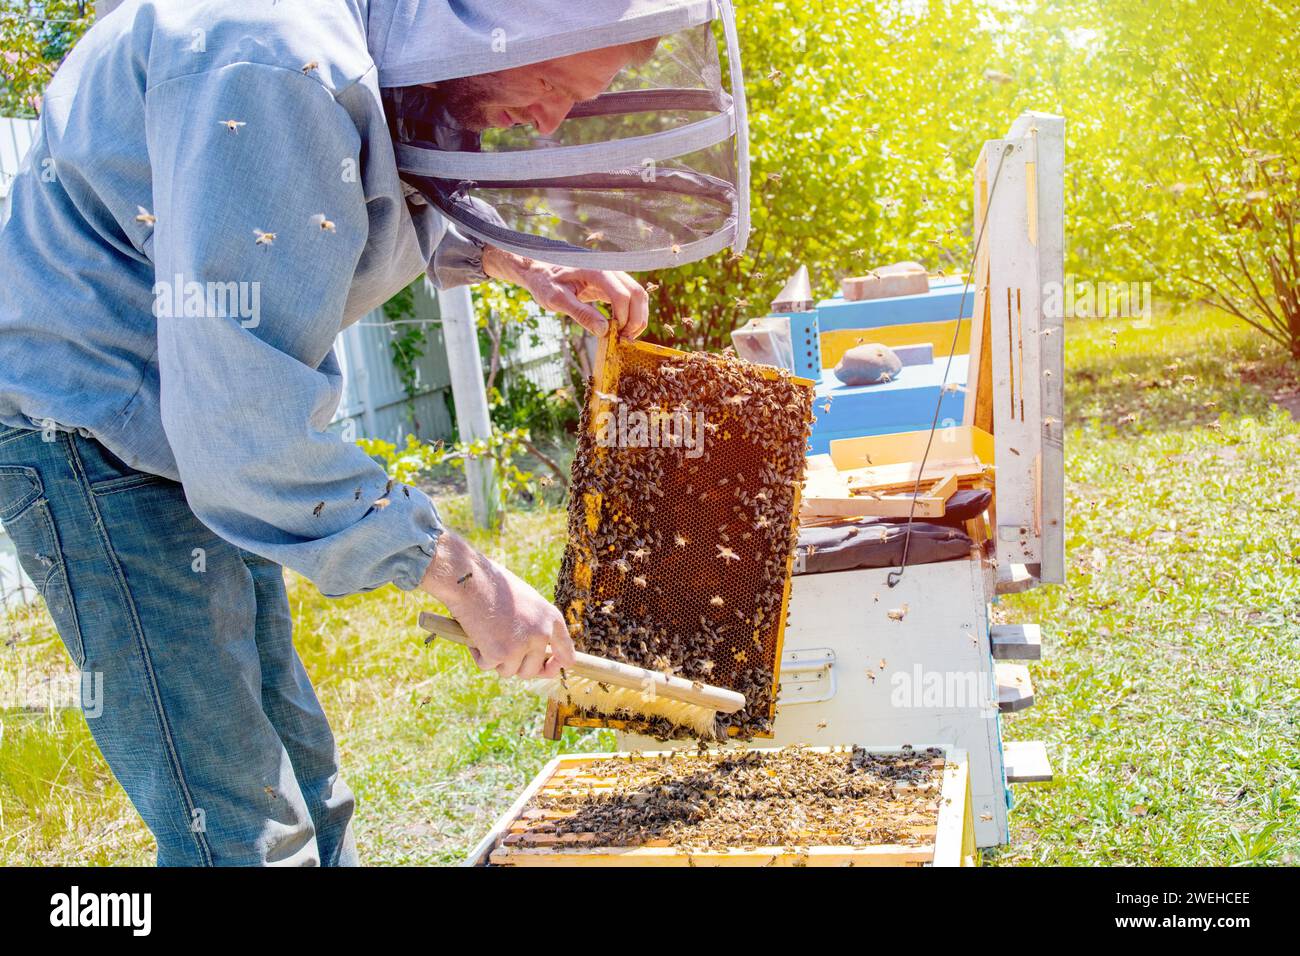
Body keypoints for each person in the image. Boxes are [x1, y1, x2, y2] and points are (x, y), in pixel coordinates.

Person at [0, 0, 749, 865]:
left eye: (575, 101)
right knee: (238, 818)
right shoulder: (276, 63)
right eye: (548, 83)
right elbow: (243, 422)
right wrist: (466, 578)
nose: (549, 121)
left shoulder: (367, 40)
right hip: (87, 423)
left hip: (178, 418)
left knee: (309, 786)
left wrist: (510, 255)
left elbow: (333, 193)